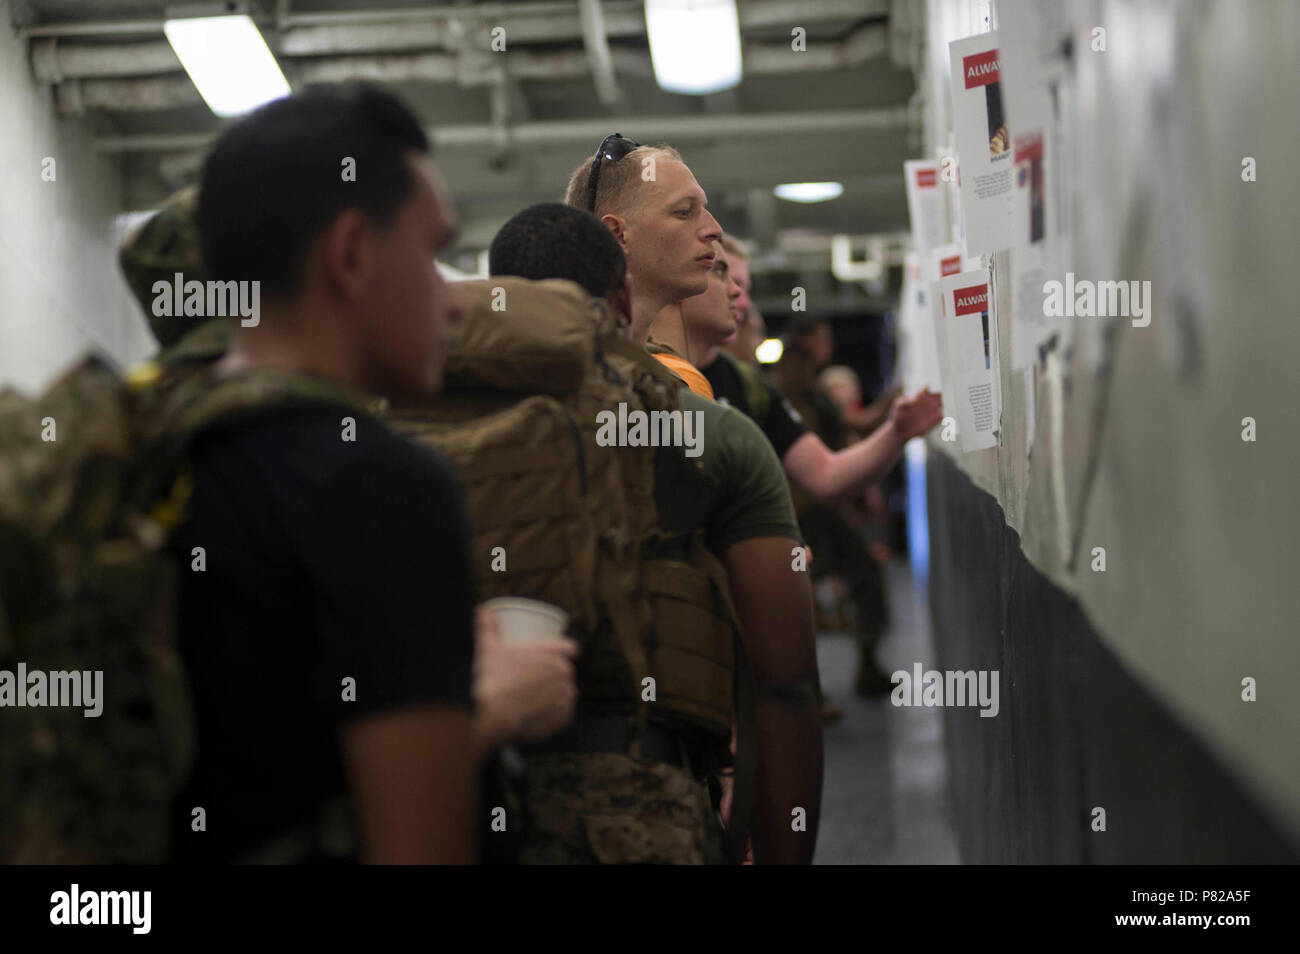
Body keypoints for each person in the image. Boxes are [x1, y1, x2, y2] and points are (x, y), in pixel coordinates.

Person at [167, 84, 571, 864]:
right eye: (433, 251)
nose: (454, 305)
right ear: (350, 254)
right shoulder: (378, 485)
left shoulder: (146, 452)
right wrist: (484, 707)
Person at [490, 201, 822, 864]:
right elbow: (785, 685)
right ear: (622, 295)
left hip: (472, 796)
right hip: (643, 812)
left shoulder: (418, 429)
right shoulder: (711, 432)